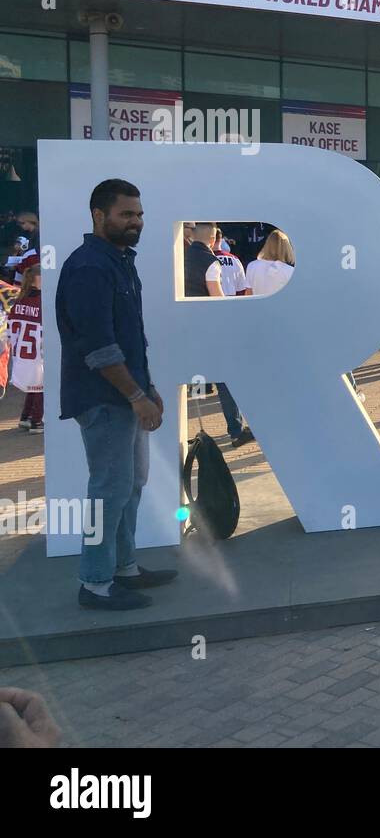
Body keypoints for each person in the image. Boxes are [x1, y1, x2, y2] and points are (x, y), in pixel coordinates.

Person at [55, 179, 176, 611]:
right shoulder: (90, 267)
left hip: (126, 395)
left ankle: (124, 568)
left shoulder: (119, 261)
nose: (136, 222)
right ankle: (95, 583)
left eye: (139, 214)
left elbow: (131, 339)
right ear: (98, 215)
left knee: (130, 485)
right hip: (104, 400)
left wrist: (149, 389)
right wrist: (136, 396)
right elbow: (99, 347)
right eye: (126, 214)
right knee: (108, 490)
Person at [184, 222, 255, 446]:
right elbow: (217, 298)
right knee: (227, 381)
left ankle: (195, 431)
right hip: (211, 330)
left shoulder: (181, 258)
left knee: (195, 381)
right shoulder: (210, 261)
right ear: (214, 238)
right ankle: (236, 429)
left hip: (188, 327)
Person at [6, 261, 44, 434]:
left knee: (34, 387)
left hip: (21, 353)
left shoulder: (19, 300)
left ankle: (25, 417)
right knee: (41, 387)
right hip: (37, 352)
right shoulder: (41, 302)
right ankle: (37, 421)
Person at [246, 229, 295, 296]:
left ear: (267, 245)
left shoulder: (252, 266)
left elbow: (248, 294)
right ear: (287, 248)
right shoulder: (290, 271)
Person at [211, 227, 250, 298]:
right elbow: (242, 290)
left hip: (211, 302)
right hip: (231, 302)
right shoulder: (235, 260)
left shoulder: (204, 259)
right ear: (221, 239)